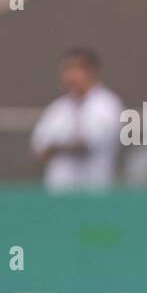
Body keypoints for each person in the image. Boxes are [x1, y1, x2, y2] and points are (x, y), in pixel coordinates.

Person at [30, 48, 123, 191]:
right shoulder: (57, 109)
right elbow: (40, 149)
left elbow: (87, 143)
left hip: (95, 194)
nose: (71, 76)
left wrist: (57, 147)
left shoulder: (107, 105)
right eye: (67, 69)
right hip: (58, 195)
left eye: (77, 69)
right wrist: (60, 146)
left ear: (92, 71)